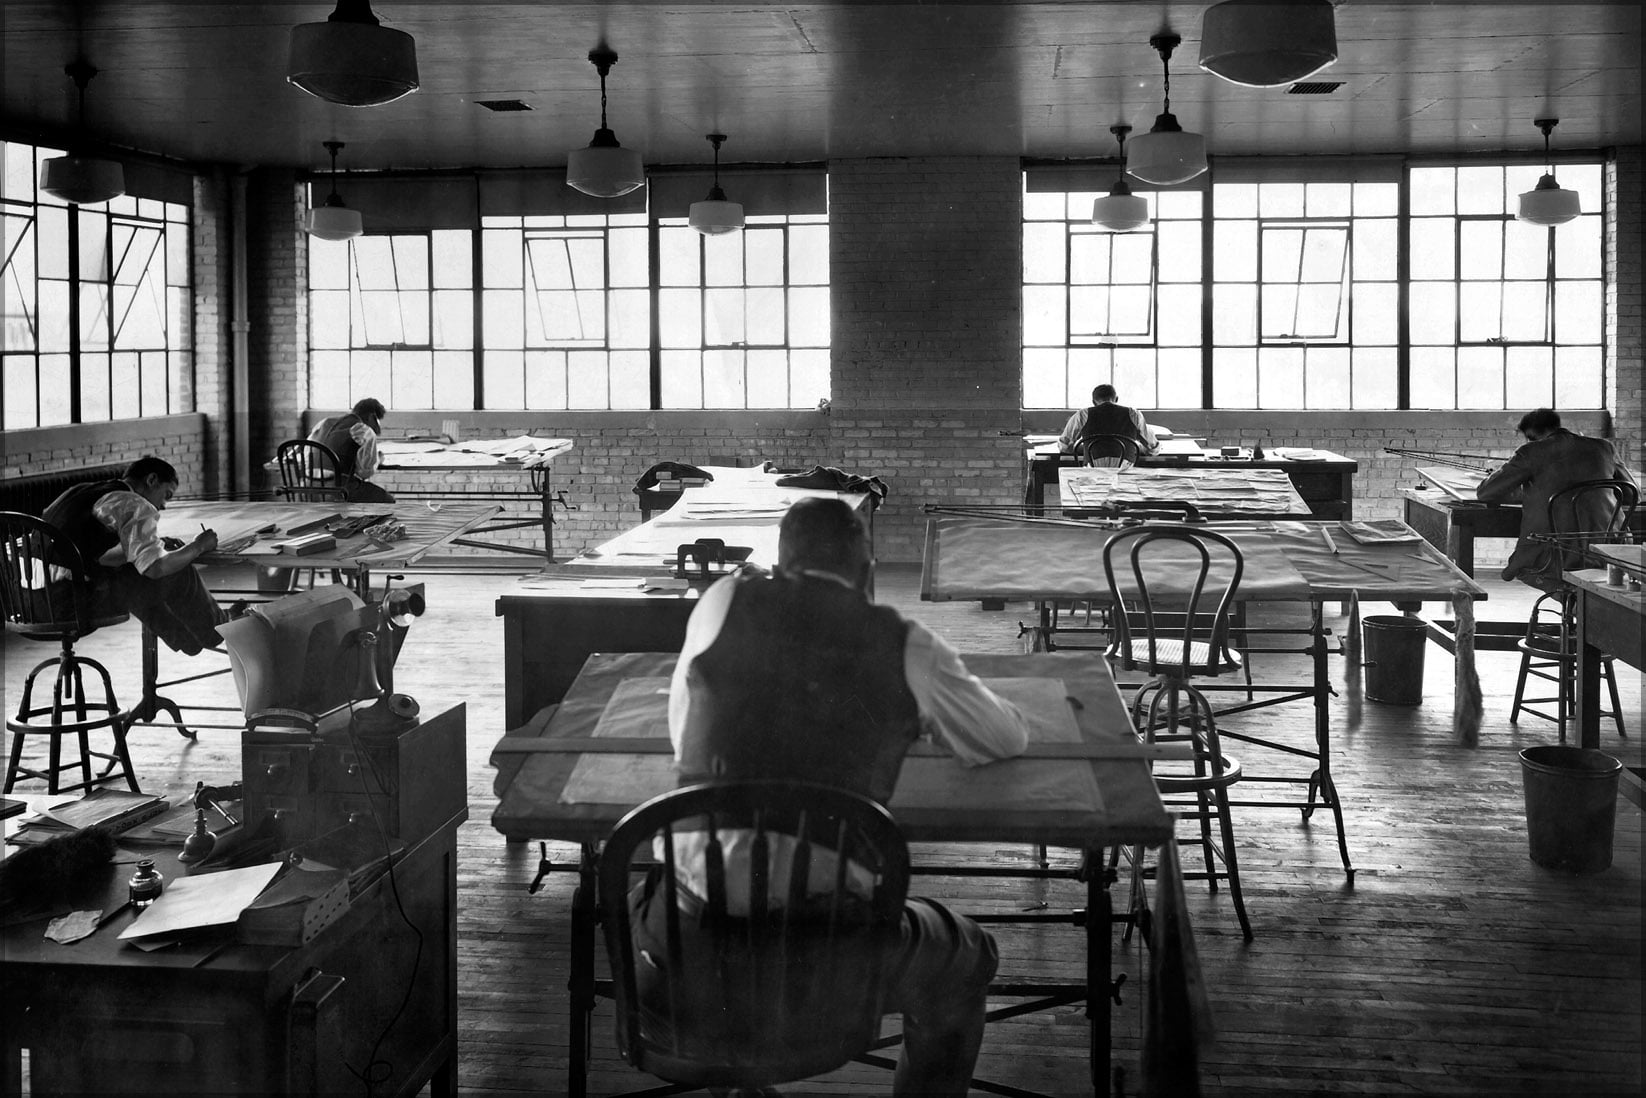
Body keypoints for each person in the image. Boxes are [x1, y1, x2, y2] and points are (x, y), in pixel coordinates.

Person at [642, 496, 1031, 1096]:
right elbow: (1002, 736)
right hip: (831, 966)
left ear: (779, 560)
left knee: (650, 890)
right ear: (868, 571)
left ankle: (738, 1070)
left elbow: (682, 730)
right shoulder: (904, 643)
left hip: (690, 948)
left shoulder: (721, 602)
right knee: (968, 955)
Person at [42, 455, 229, 656]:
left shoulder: (81, 491)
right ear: (151, 480)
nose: (164, 505)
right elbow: (155, 568)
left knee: (132, 574)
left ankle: (188, 639)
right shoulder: (132, 502)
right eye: (166, 494)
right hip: (74, 602)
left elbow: (94, 555)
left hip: (36, 599)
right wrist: (198, 546)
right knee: (175, 572)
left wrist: (154, 545)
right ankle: (216, 629)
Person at [1476, 407, 1636, 590]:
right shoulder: (1604, 447)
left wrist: (1524, 491)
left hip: (1553, 553)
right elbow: (1632, 495)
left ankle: (1575, 604)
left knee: (1525, 566)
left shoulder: (1531, 451)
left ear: (1531, 434)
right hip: (1609, 550)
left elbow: (1486, 492)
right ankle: (1582, 606)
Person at [310, 397, 394, 503]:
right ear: (372, 417)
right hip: (338, 490)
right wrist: (378, 459)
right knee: (387, 500)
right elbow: (365, 472)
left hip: (306, 489)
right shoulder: (363, 430)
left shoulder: (324, 423)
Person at [1058, 383, 1159, 457]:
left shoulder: (1082, 415)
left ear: (1093, 402)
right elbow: (1153, 448)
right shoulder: (1134, 414)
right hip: (1126, 472)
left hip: (1093, 472)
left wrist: (1086, 448)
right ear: (1117, 399)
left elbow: (1064, 447)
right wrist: (1135, 448)